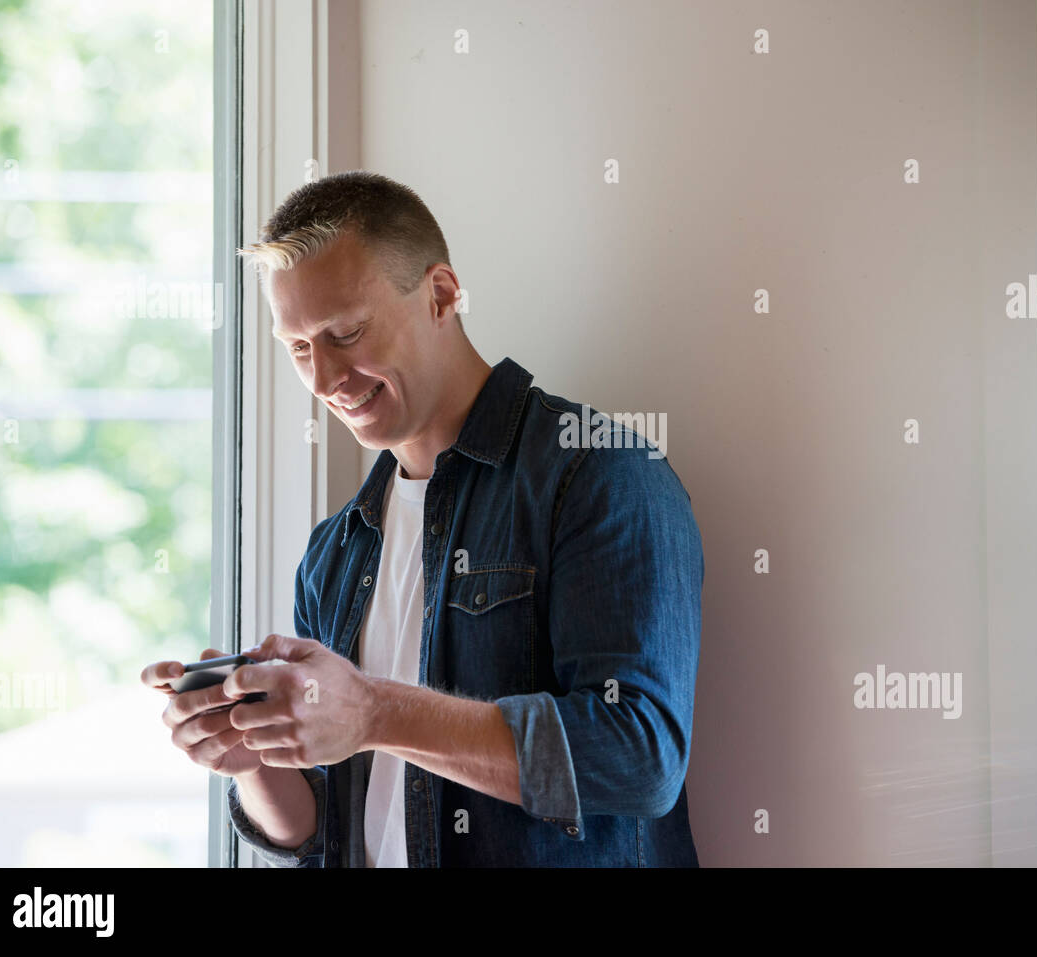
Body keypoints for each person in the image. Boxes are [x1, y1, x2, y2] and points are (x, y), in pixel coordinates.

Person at [141, 170, 704, 866]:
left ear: (440, 294)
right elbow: (323, 828)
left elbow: (640, 755)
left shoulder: (595, 474)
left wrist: (375, 712)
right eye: (298, 348)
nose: (322, 379)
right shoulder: (336, 548)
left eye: (345, 332)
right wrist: (250, 755)